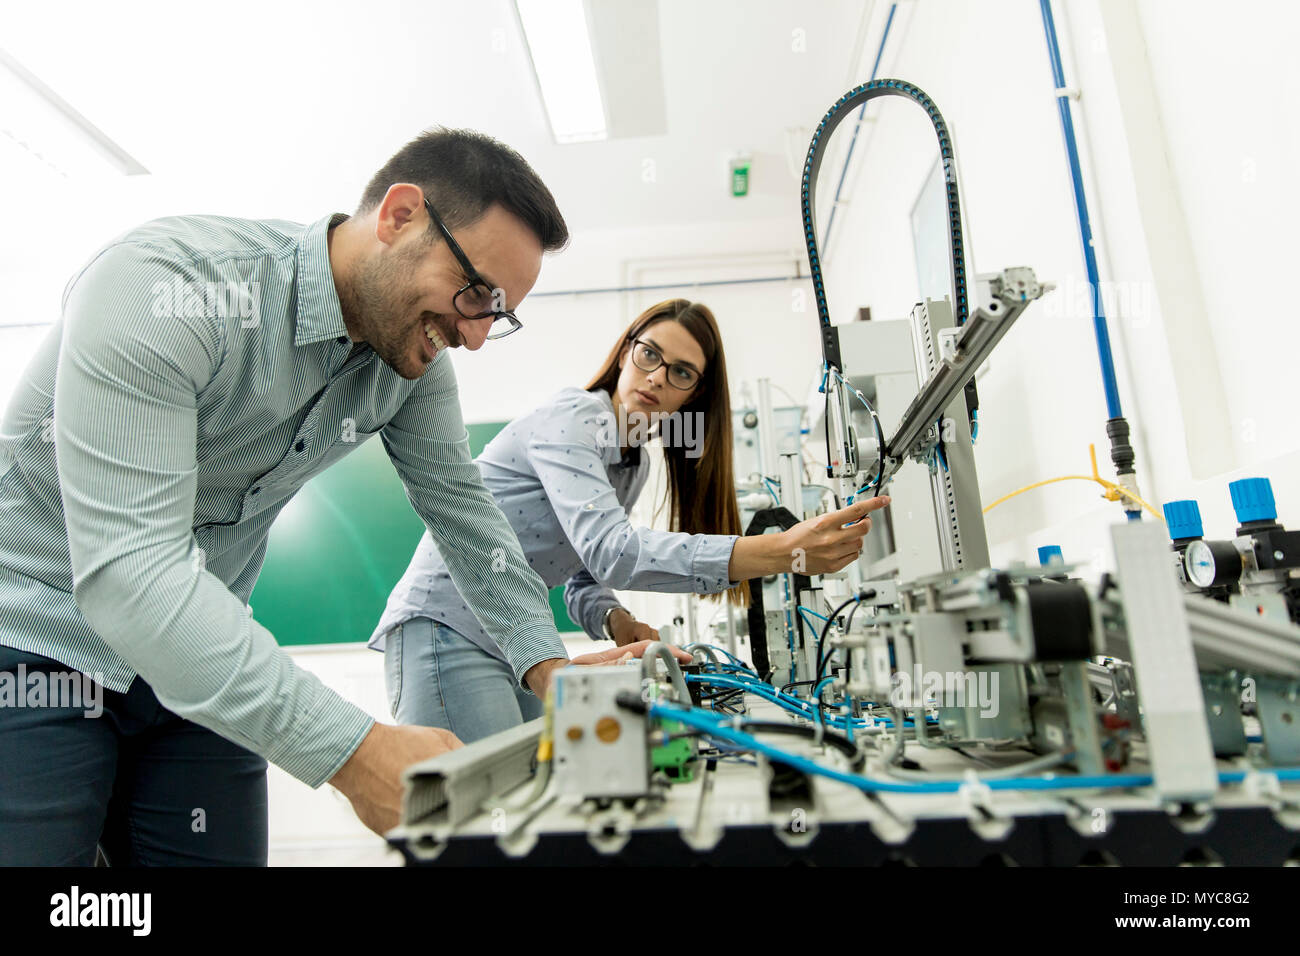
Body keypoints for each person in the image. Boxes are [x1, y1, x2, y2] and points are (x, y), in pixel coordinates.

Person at [0, 127, 674, 866]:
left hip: (192, 669)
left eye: (498, 314)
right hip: (34, 642)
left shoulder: (408, 370)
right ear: (400, 217)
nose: (476, 336)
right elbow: (132, 577)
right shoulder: (167, 290)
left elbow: (468, 517)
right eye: (475, 293)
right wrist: (354, 752)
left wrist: (548, 667)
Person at [372, 298, 889, 743]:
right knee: (477, 825)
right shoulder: (574, 417)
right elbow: (612, 552)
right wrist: (779, 552)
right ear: (626, 353)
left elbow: (580, 573)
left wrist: (620, 624)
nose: (657, 377)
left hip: (517, 638)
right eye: (650, 355)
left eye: (681, 373)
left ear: (694, 396)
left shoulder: (633, 462)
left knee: (524, 798)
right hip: (446, 623)